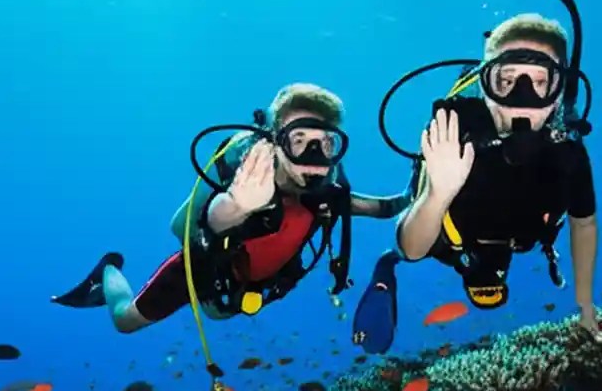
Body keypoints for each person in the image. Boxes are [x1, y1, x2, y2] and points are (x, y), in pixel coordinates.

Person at [352, 0, 602, 354]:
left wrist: (586, 304)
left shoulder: (567, 152)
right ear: (485, 87)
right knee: (401, 227)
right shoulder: (456, 133)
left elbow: (584, 222)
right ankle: (373, 235)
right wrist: (438, 193)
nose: (522, 98)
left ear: (558, 93)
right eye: (507, 81)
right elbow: (413, 249)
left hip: (518, 234)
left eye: (539, 82)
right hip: (446, 232)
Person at [52, 83, 409, 335]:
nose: (313, 156)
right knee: (126, 322)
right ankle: (108, 273)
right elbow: (202, 220)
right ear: (274, 143)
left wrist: (428, 180)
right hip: (205, 269)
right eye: (298, 141)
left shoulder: (327, 197)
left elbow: (384, 208)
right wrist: (239, 205)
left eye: (324, 143)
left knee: (221, 316)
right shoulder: (243, 181)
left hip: (253, 288)